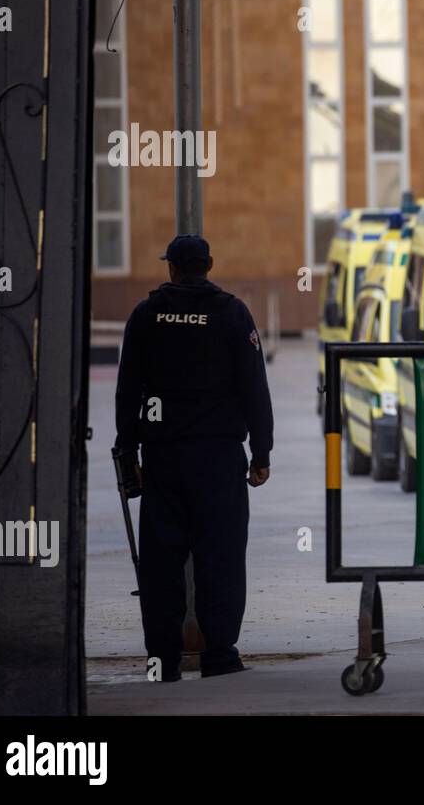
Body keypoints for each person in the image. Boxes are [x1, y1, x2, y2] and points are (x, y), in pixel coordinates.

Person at [114, 234, 273, 681]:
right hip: (220, 459)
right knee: (220, 557)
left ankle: (162, 661)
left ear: (172, 269)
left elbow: (128, 393)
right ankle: (219, 655)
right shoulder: (231, 313)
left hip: (163, 459)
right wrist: (261, 453)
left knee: (162, 563)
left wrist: (128, 454)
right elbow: (254, 390)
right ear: (209, 264)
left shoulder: (146, 315)